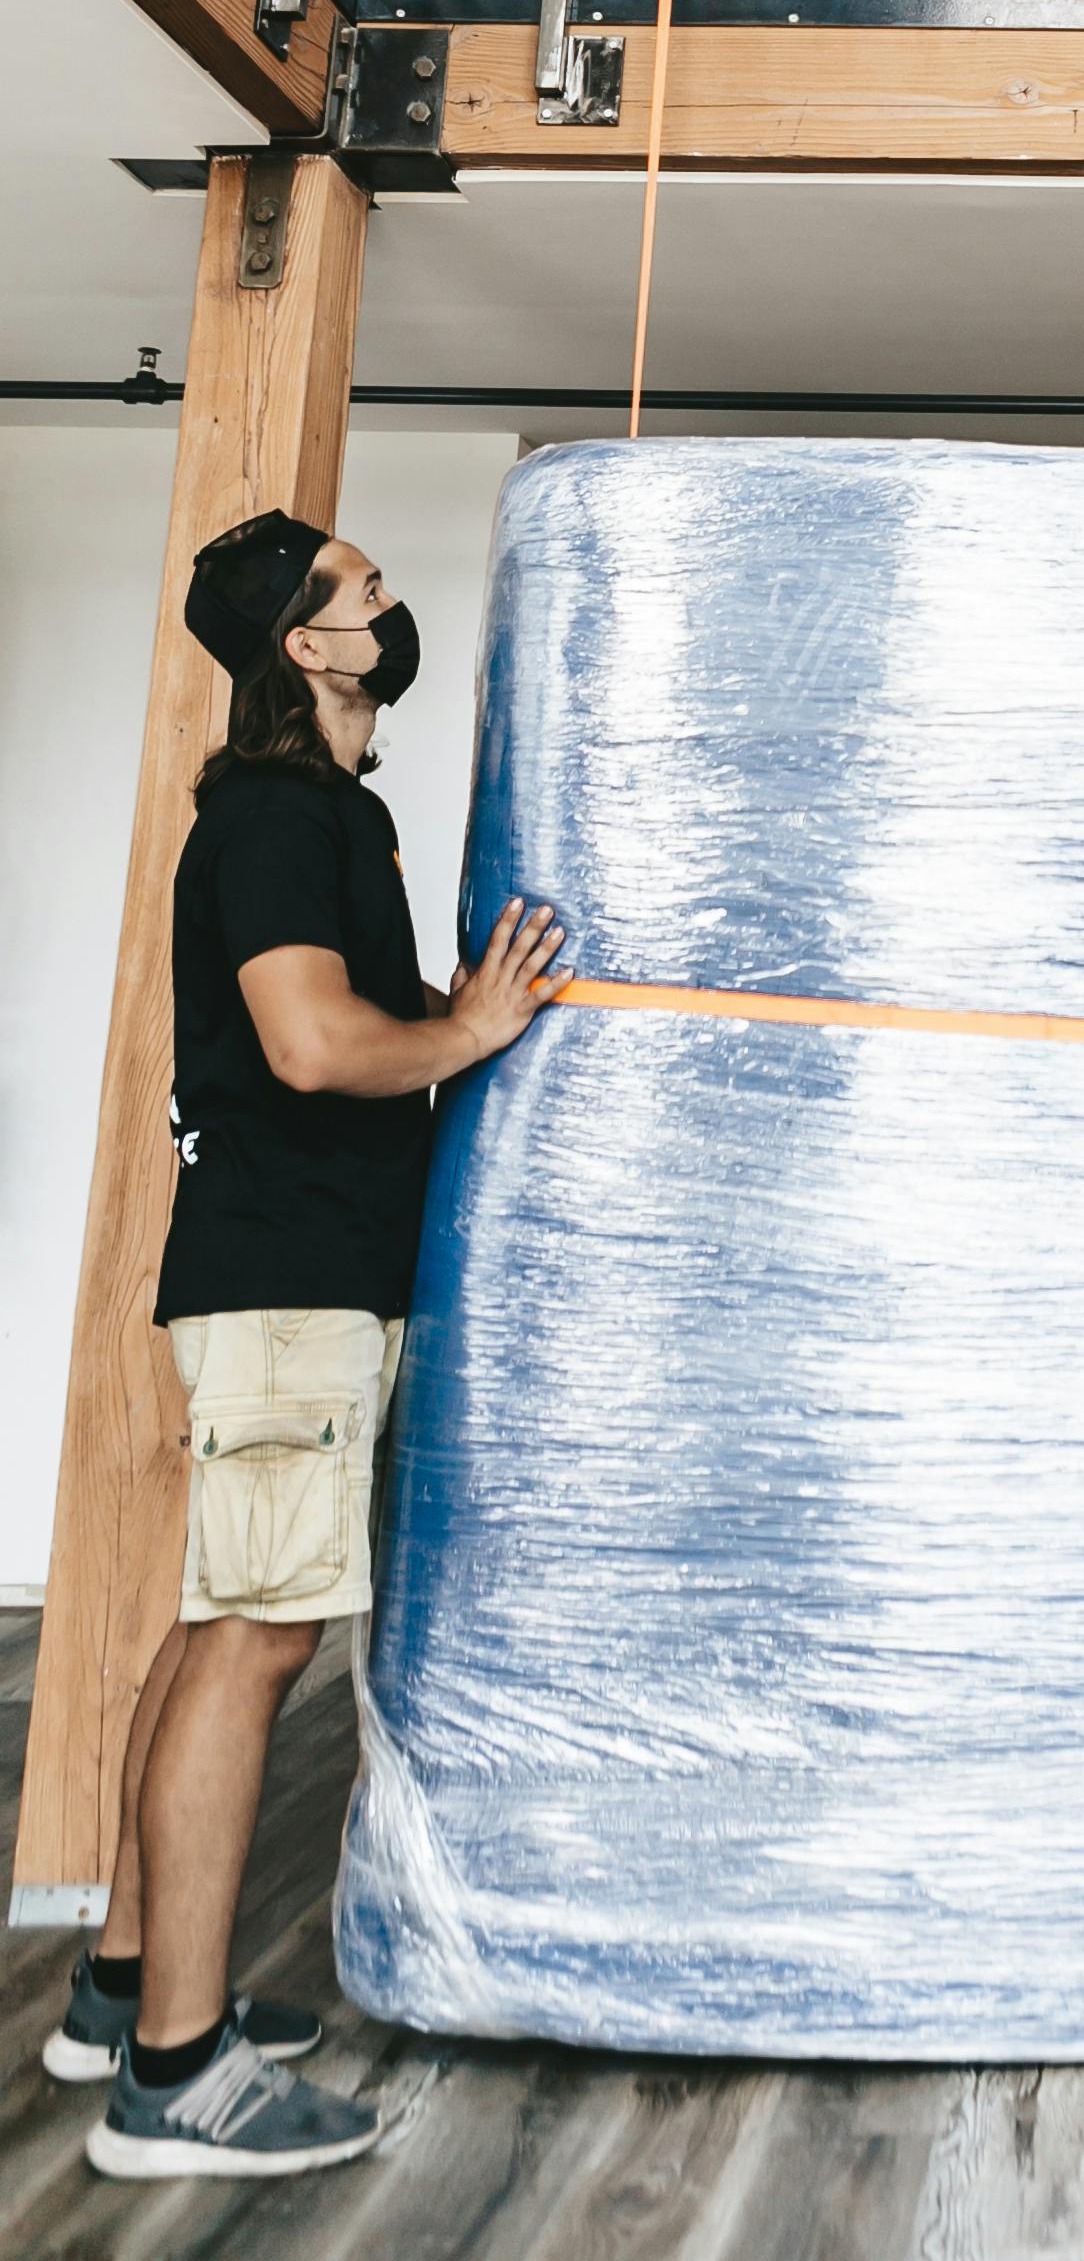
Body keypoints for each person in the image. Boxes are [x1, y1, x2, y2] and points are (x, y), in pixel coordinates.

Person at [61, 511, 568, 2183]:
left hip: (283, 1279)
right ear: (307, 646)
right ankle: (177, 2078)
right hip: (285, 1291)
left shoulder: (325, 812)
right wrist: (468, 1032)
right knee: (256, 1644)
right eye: (366, 592)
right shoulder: (280, 814)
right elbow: (305, 1040)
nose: (392, 602)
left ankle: (121, 1986)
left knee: (221, 1622)